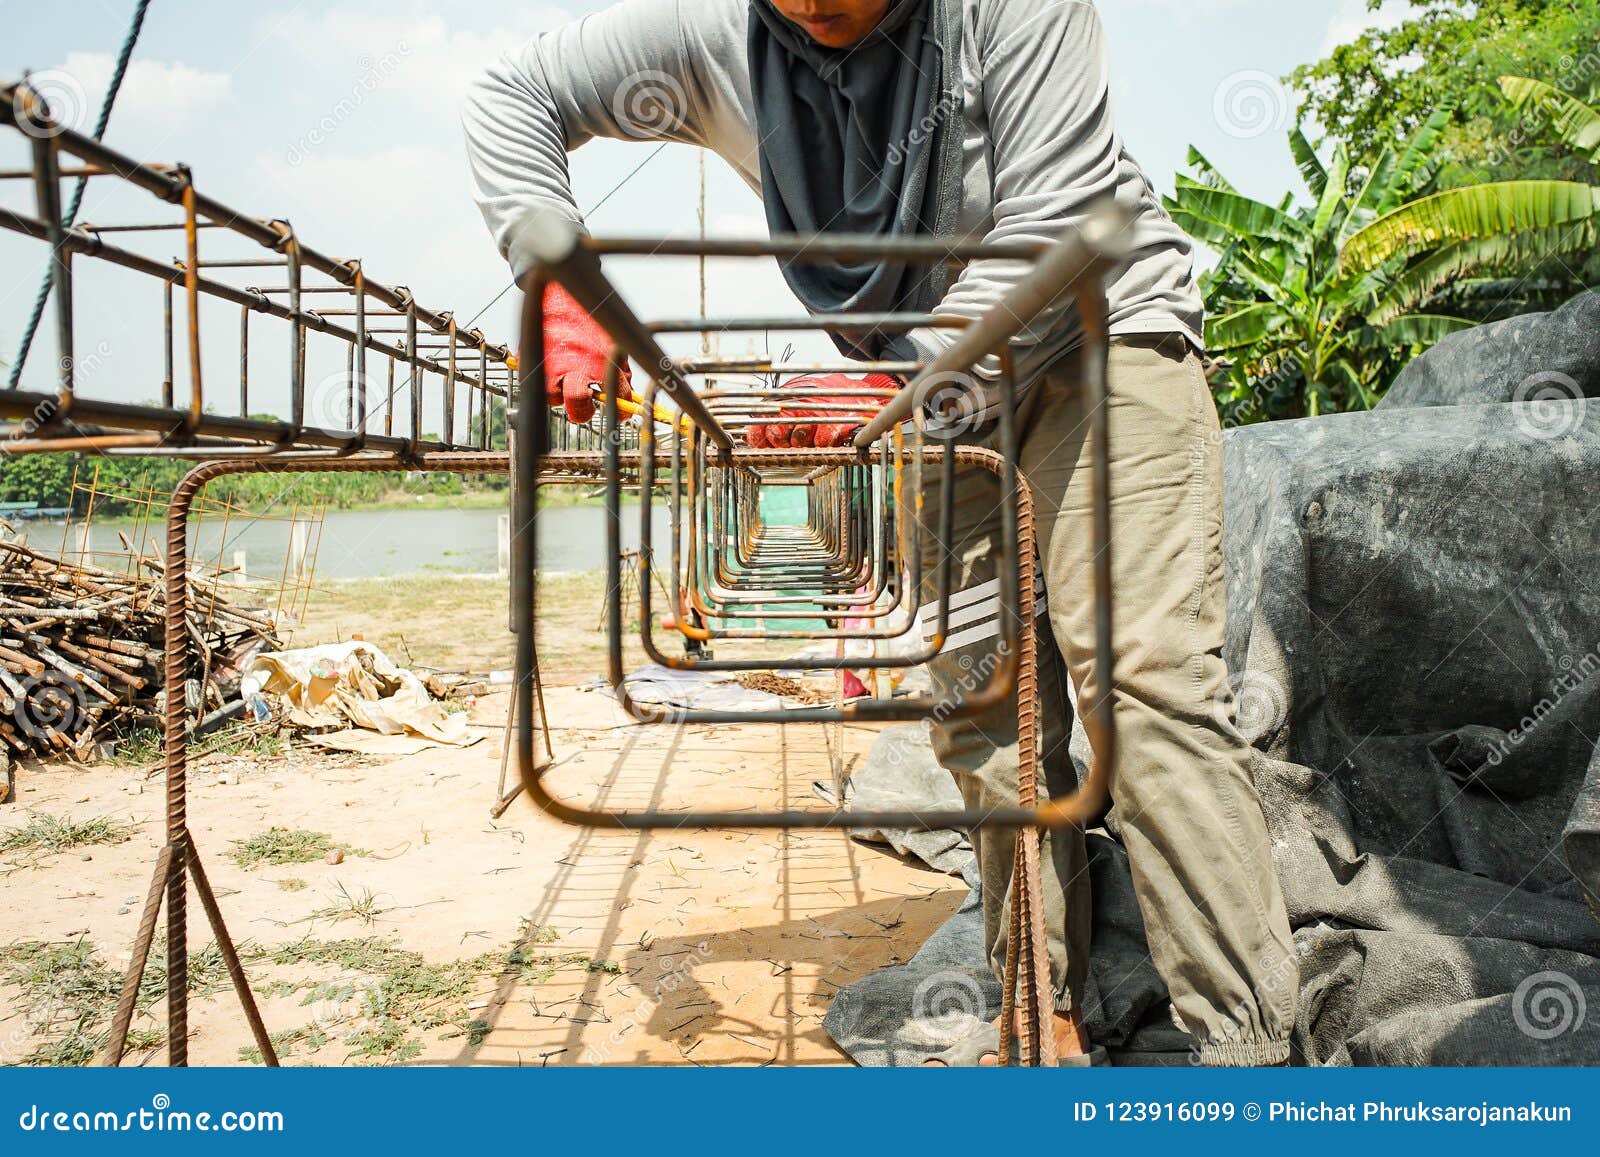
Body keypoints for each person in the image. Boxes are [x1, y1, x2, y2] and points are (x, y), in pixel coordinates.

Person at [463, 0, 1297, 1066]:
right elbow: (508, 93)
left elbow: (1052, 226)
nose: (817, 10)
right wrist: (555, 270)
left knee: (1144, 683)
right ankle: (1038, 999)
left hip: (1098, 338)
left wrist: (888, 383)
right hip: (932, 394)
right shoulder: (709, 32)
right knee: (982, 702)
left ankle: (1252, 1052)